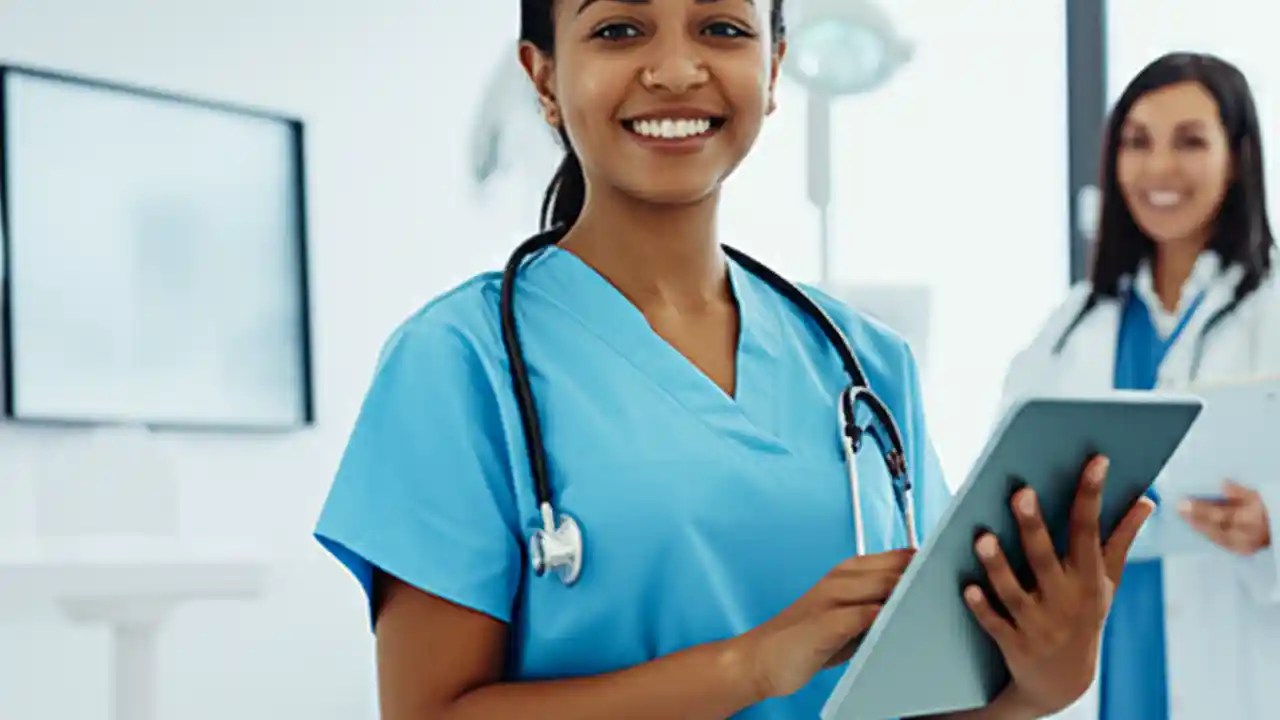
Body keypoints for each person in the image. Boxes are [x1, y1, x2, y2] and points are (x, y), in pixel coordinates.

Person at [314, 1, 1153, 717]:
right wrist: (749, 665)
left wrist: (1040, 687)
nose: (676, 70)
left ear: (776, 64)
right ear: (542, 78)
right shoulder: (458, 362)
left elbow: (912, 702)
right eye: (618, 30)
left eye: (720, 25)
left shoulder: (868, 365)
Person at [1002, 52, 1280, 720]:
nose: (1159, 169)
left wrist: (1272, 528)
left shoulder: (1270, 310)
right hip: (1102, 655)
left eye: (1190, 142)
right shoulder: (1071, 326)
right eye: (1137, 142)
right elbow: (1007, 470)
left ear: (1237, 155)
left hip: (1235, 654)